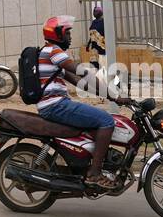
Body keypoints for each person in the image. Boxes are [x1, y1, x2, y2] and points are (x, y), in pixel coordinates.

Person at [36, 16, 128, 189]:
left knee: (97, 122)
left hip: (55, 104)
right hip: (55, 105)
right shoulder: (53, 51)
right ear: (57, 34)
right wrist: (110, 92)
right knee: (107, 121)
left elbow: (80, 83)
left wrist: (111, 96)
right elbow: (82, 73)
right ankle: (94, 173)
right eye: (67, 33)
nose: (70, 37)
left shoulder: (51, 53)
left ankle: (88, 163)